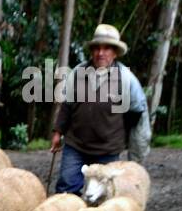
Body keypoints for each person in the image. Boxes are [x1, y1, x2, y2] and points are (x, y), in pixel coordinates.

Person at [51, 23, 149, 194]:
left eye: (107, 49)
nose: (100, 53)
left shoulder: (127, 80)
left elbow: (137, 118)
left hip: (108, 150)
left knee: (102, 193)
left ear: (115, 53)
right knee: (66, 187)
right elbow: (67, 105)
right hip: (76, 145)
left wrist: (135, 157)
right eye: (97, 48)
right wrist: (58, 132)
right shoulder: (78, 73)